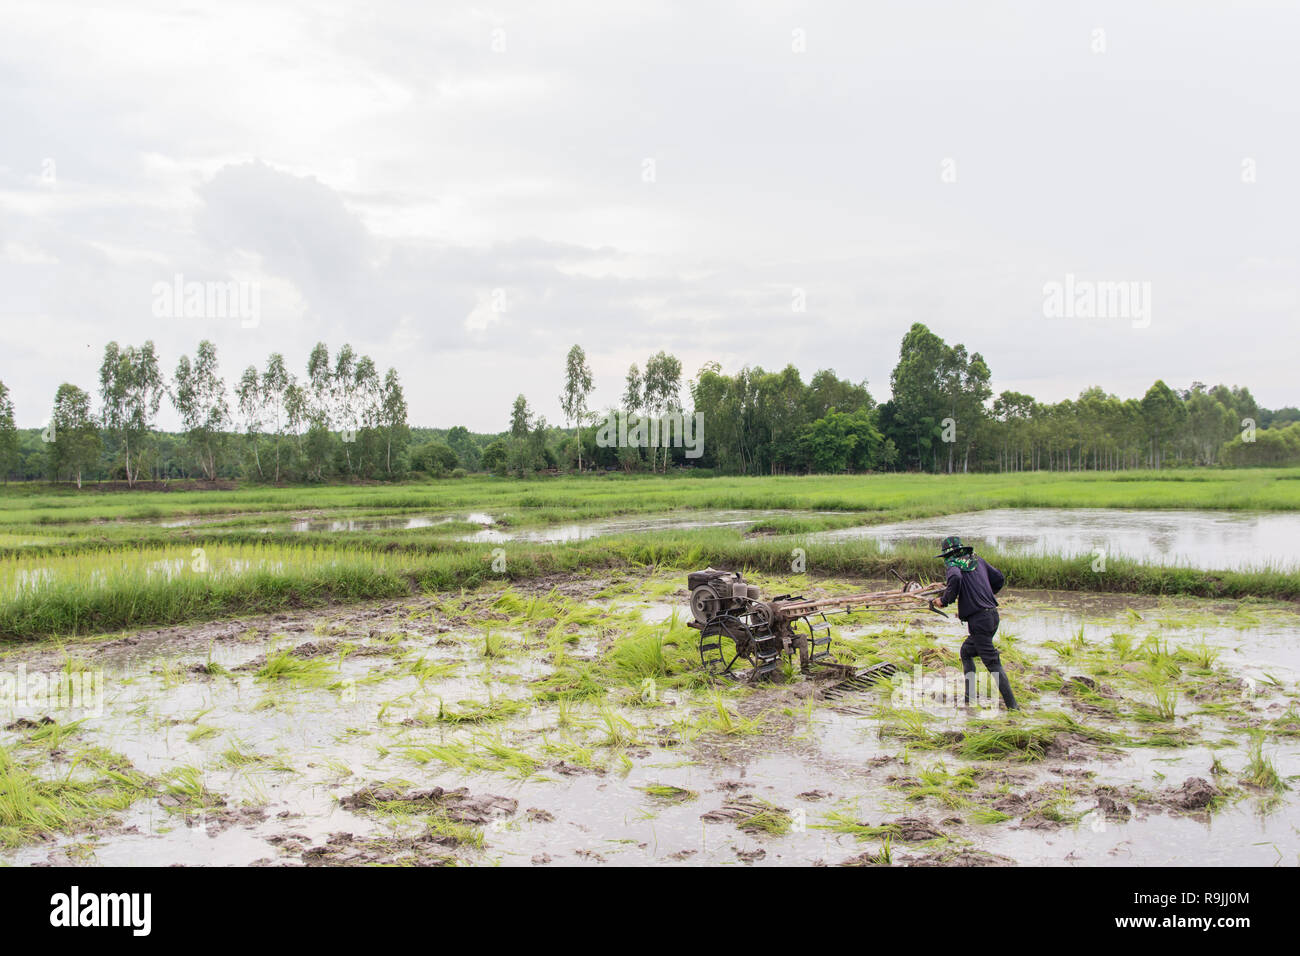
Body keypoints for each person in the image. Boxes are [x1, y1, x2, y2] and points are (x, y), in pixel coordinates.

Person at [930, 535, 1018, 710]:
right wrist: (983, 596)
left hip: (980, 621)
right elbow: (999, 578)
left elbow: (955, 579)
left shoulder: (953, 566)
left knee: (993, 663)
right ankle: (969, 699)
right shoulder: (976, 561)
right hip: (992, 616)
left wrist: (945, 600)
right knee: (967, 652)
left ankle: (1014, 708)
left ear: (948, 555)